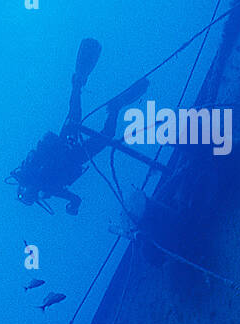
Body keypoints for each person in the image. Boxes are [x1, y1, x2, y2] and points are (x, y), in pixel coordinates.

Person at [10, 39, 149, 215]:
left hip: (68, 148)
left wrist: (72, 205)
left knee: (82, 118)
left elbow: (73, 198)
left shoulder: (41, 182)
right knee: (91, 124)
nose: (33, 193)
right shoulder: (46, 186)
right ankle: (99, 97)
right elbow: (75, 198)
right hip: (73, 153)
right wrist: (73, 206)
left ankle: (85, 87)